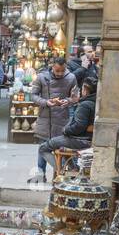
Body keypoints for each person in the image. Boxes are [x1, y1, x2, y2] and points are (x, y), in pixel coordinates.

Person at [27, 56, 77, 184]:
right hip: (45, 118)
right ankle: (40, 175)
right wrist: (46, 102)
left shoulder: (71, 78)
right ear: (52, 66)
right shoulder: (42, 77)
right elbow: (33, 95)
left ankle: (61, 175)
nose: (60, 73)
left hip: (62, 118)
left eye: (62, 70)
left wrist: (68, 101)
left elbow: (75, 97)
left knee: (61, 149)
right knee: (43, 148)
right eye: (57, 70)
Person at [38, 77, 96, 177]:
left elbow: (79, 126)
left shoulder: (85, 105)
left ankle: (61, 172)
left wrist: (66, 130)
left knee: (43, 148)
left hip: (81, 140)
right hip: (85, 138)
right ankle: (73, 169)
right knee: (60, 144)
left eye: (82, 89)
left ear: (85, 91)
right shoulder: (94, 102)